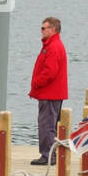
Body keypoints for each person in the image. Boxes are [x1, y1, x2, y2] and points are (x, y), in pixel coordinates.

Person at [29, 16, 67, 166]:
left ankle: (48, 155)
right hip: (50, 93)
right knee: (48, 124)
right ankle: (49, 154)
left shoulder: (54, 46)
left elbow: (50, 72)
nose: (41, 31)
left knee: (47, 125)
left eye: (43, 28)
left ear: (52, 30)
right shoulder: (51, 45)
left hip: (50, 94)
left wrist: (36, 83)